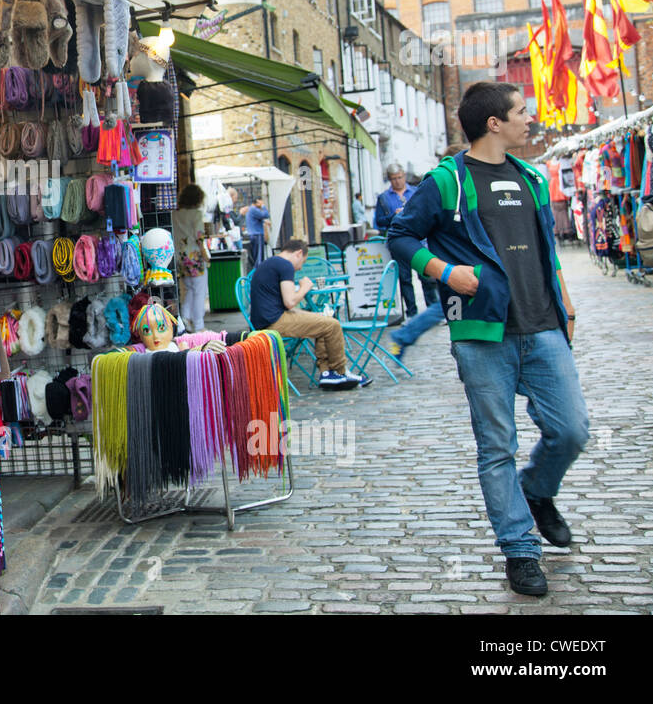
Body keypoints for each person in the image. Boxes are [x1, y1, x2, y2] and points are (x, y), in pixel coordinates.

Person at [388, 81, 587, 598]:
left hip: (543, 325)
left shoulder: (532, 178)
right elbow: (399, 235)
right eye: (522, 112)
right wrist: (444, 271)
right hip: (481, 334)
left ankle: (537, 491)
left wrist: (564, 301)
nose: (530, 119)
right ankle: (520, 550)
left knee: (571, 431)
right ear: (494, 123)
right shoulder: (445, 181)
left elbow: (547, 249)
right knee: (497, 446)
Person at [250, 238, 370, 389]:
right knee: (332, 325)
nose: (300, 268)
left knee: (323, 322)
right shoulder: (285, 265)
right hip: (273, 323)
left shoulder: (271, 263)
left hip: (264, 320)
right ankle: (340, 372)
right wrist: (305, 287)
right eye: (303, 262)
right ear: (299, 253)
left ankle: (327, 374)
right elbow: (290, 301)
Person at [375, 164, 421, 316]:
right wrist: (393, 215)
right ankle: (412, 313)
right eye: (394, 179)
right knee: (405, 279)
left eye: (400, 177)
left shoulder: (415, 192)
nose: (397, 181)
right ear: (389, 180)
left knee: (427, 277)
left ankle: (434, 312)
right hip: (398, 242)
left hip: (419, 240)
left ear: (404, 176)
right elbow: (379, 222)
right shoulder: (383, 198)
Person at [172, 183, 212, 333]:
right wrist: (206, 255)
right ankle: (199, 325)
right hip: (195, 257)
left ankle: (185, 319)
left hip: (181, 257)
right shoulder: (196, 214)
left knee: (188, 289)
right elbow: (199, 237)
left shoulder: (175, 214)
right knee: (199, 291)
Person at [244, 198, 270, 269]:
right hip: (257, 235)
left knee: (256, 256)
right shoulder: (254, 209)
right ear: (257, 202)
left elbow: (255, 220)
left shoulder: (250, 210)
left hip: (253, 235)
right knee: (259, 257)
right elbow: (266, 215)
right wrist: (263, 206)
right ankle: (258, 272)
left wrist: (264, 222)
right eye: (261, 202)